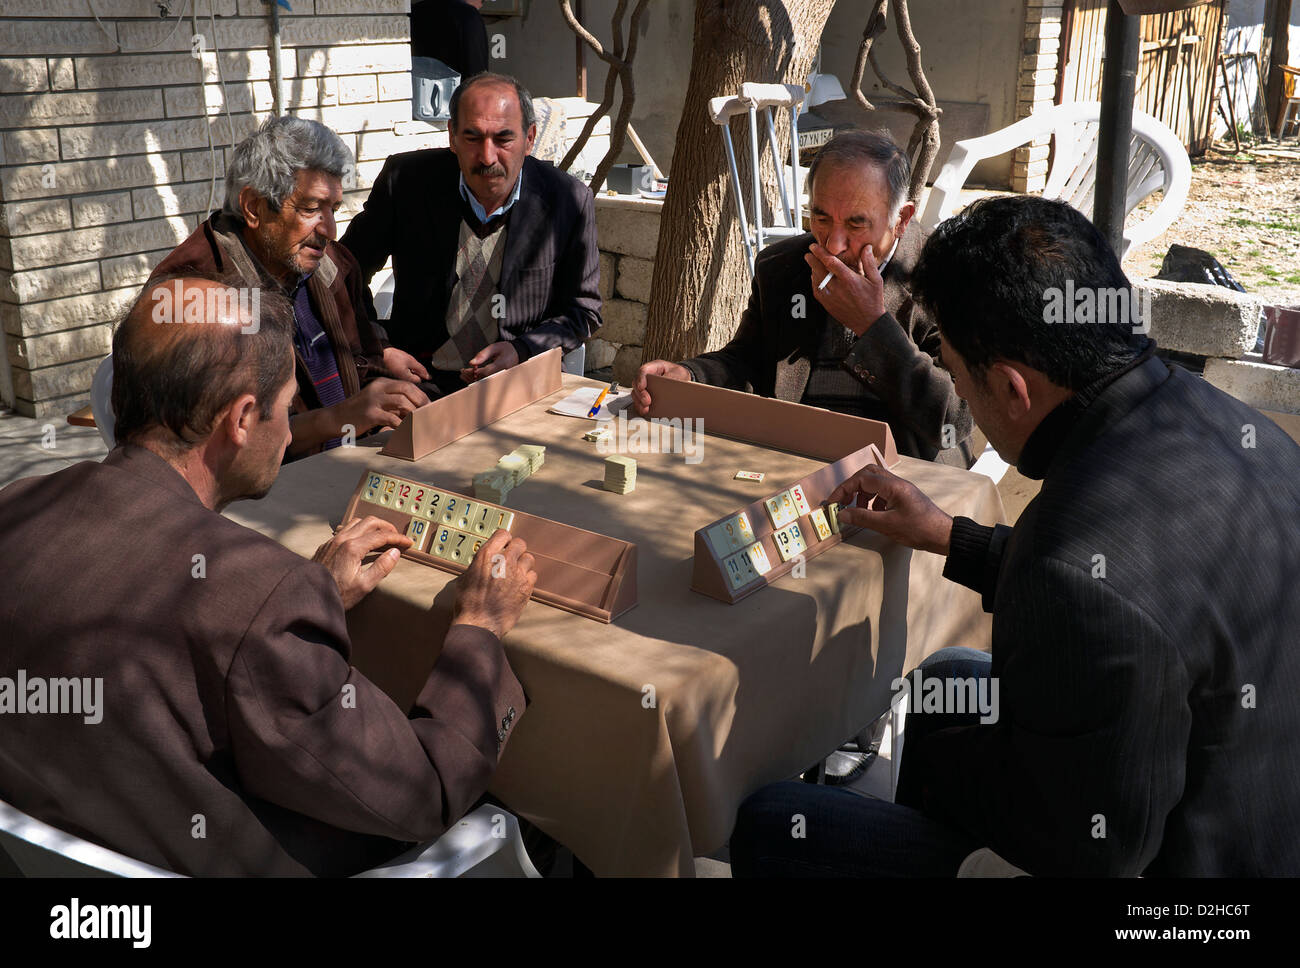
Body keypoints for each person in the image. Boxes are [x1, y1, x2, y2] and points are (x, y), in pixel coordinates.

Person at [730, 195, 1300, 876]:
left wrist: (960, 769)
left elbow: (1095, 847)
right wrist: (949, 534)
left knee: (772, 822)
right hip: (1246, 802)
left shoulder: (1072, 555)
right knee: (947, 683)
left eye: (956, 373)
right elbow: (1133, 594)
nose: (961, 398)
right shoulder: (1239, 426)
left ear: (1011, 387)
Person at [0, 275, 537, 876]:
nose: (288, 431)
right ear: (242, 419)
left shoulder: (14, 509)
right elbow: (426, 788)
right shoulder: (260, 597)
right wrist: (481, 628)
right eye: (285, 409)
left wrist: (308, 597)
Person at [634, 130, 973, 467]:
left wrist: (873, 327)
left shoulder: (948, 278)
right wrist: (690, 376)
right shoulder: (782, 266)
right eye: (821, 218)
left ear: (901, 219)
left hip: (904, 468)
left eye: (856, 225)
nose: (834, 245)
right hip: (796, 456)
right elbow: (749, 361)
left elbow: (953, 422)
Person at [153, 115, 431, 459]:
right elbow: (217, 445)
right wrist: (342, 418)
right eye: (312, 208)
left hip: (342, 466)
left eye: (333, 209)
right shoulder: (196, 295)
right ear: (253, 207)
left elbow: (360, 363)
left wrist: (385, 412)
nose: (329, 229)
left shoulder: (334, 266)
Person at [341, 72, 602, 398]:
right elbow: (343, 272)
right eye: (472, 137)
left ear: (530, 138)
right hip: (418, 382)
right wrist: (380, 348)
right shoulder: (406, 183)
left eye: (503, 139)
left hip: (519, 385)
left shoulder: (568, 200)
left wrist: (521, 350)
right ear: (451, 136)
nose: (487, 157)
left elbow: (583, 310)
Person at [411, 0, 489, 79]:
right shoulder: (468, 14)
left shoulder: (414, 10)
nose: (481, 4)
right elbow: (476, 69)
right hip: (455, 87)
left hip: (417, 86)